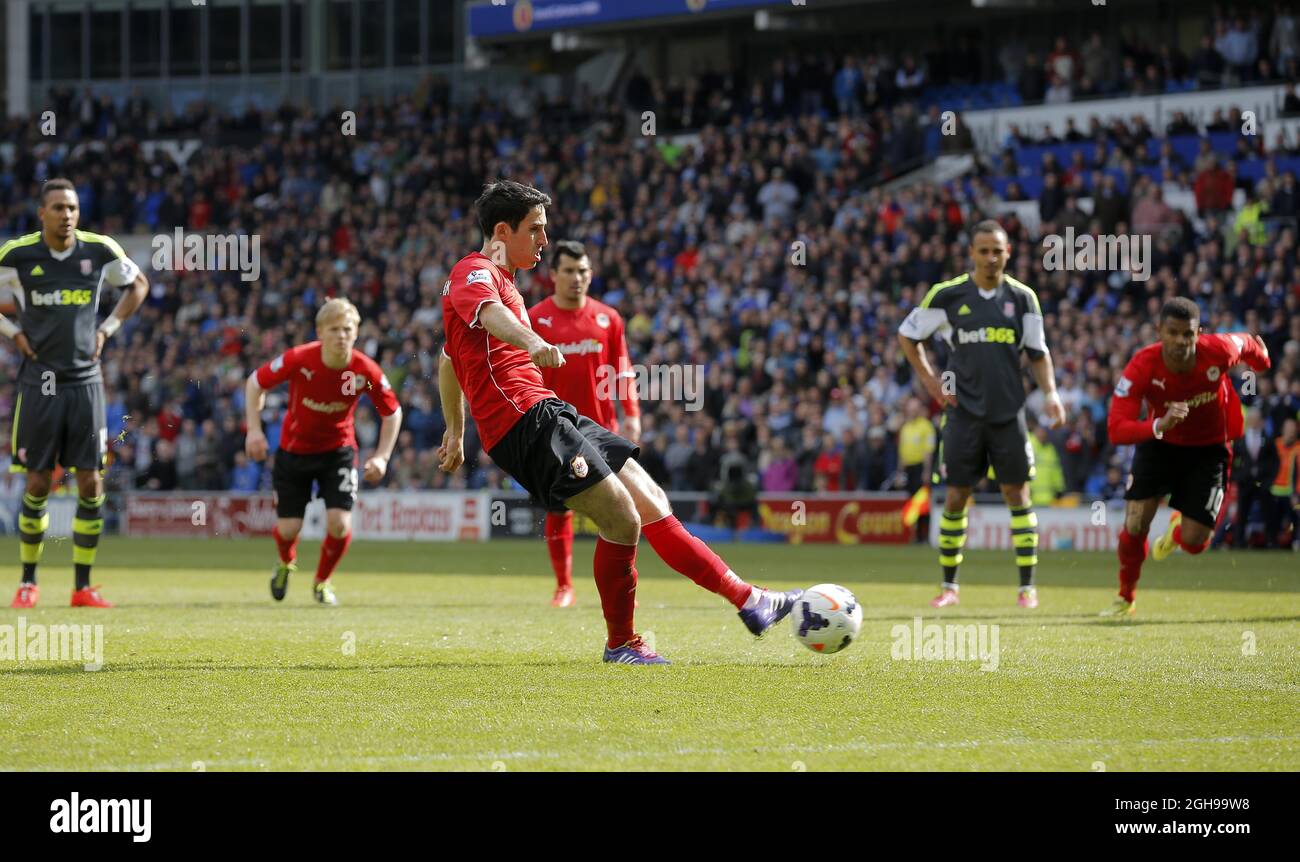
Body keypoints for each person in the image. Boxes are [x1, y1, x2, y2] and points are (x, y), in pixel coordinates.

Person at [436, 180, 799, 665]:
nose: (545, 240)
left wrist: (455, 430)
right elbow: (490, 315)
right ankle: (622, 643)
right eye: (537, 230)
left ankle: (751, 600)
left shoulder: (509, 283)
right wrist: (530, 341)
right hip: (521, 421)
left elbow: (447, 359)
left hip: (552, 411)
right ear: (503, 231)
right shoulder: (474, 272)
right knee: (622, 519)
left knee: (652, 501)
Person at [897, 219, 1067, 610]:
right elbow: (908, 335)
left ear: (1008, 253)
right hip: (963, 415)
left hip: (1008, 413)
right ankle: (949, 587)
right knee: (956, 496)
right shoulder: (948, 295)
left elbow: (1039, 353)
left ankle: (1027, 589)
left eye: (998, 250)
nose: (991, 257)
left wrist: (1052, 394)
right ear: (971, 253)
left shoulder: (1024, 298)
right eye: (983, 250)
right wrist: (931, 380)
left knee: (1017, 494)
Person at [1, 179, 149, 609]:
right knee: (37, 482)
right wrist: (12, 333)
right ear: (41, 212)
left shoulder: (99, 250)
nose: (67, 215)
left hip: (86, 381)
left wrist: (108, 328)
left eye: (73, 208)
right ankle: (28, 582)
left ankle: (83, 587)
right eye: (59, 208)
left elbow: (137, 285)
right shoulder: (17, 255)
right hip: (38, 383)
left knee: (89, 482)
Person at [1102, 298, 1272, 616]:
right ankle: (1126, 596)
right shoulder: (1142, 365)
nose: (1181, 341)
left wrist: (1262, 361)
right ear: (1159, 332)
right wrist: (1158, 425)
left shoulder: (1219, 350)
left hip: (1210, 448)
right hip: (1160, 441)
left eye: (1188, 334)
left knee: (1195, 544)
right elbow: (1116, 429)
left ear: (1199, 333)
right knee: (1136, 523)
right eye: (1173, 333)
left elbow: (1249, 344)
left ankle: (1177, 530)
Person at [244, 298, 403, 606]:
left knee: (339, 523)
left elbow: (392, 412)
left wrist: (382, 456)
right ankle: (284, 563)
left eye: (347, 329)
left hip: (338, 451)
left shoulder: (364, 369)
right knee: (289, 528)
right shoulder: (299, 359)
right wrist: (253, 429)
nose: (341, 335)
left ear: (356, 332)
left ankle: (322, 582)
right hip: (293, 451)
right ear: (320, 332)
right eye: (334, 329)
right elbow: (255, 383)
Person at [528, 240, 640, 608]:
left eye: (583, 271)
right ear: (553, 275)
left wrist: (632, 415)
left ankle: (622, 584)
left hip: (602, 430)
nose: (577, 278)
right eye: (570, 271)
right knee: (558, 508)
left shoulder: (609, 318)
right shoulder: (535, 320)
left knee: (626, 508)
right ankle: (564, 586)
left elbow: (622, 371)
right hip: (556, 430)